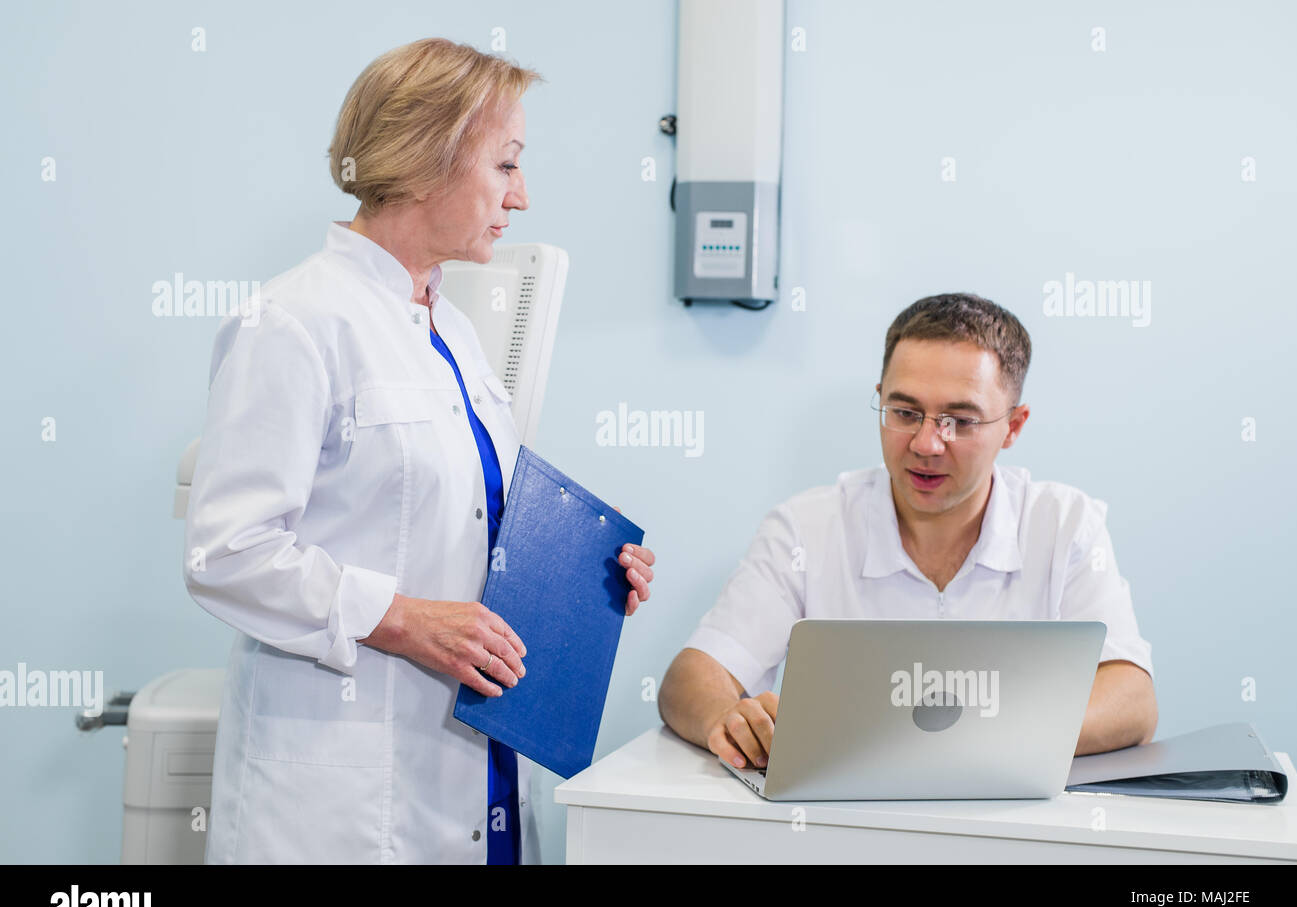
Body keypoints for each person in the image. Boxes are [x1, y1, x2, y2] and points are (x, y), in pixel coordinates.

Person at [183, 37, 655, 864]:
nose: (524, 196)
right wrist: (401, 619)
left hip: (475, 766)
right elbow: (228, 551)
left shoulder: (457, 334)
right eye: (506, 165)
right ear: (426, 156)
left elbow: (468, 524)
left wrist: (583, 580)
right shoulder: (294, 322)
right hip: (342, 799)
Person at [658, 293, 1155, 769]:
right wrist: (727, 719)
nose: (926, 444)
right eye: (905, 412)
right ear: (881, 400)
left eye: (959, 420)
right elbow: (690, 679)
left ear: (1014, 426)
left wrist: (953, 737)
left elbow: (1131, 700)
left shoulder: (1065, 524)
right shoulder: (806, 529)